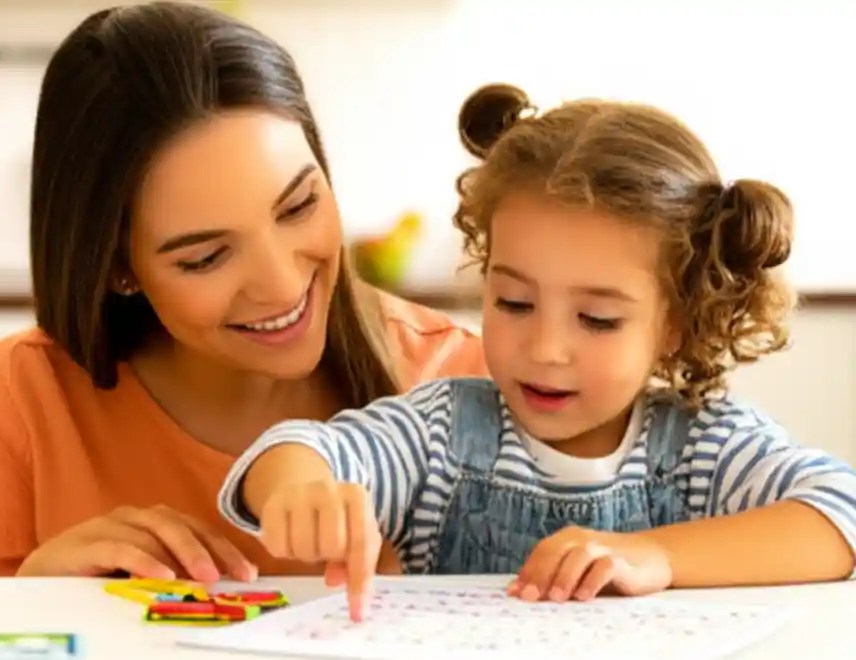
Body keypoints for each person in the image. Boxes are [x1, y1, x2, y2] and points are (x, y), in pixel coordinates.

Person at [216, 83, 856, 620]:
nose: (546, 349)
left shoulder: (705, 446)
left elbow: (841, 512)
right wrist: (300, 487)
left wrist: (658, 554)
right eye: (515, 303)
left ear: (675, 325)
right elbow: (305, 448)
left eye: (597, 319)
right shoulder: (441, 434)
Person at [0, 2, 487, 581]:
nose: (282, 286)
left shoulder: (467, 379)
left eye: (299, 206)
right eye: (206, 257)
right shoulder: (24, 395)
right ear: (116, 268)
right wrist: (36, 586)